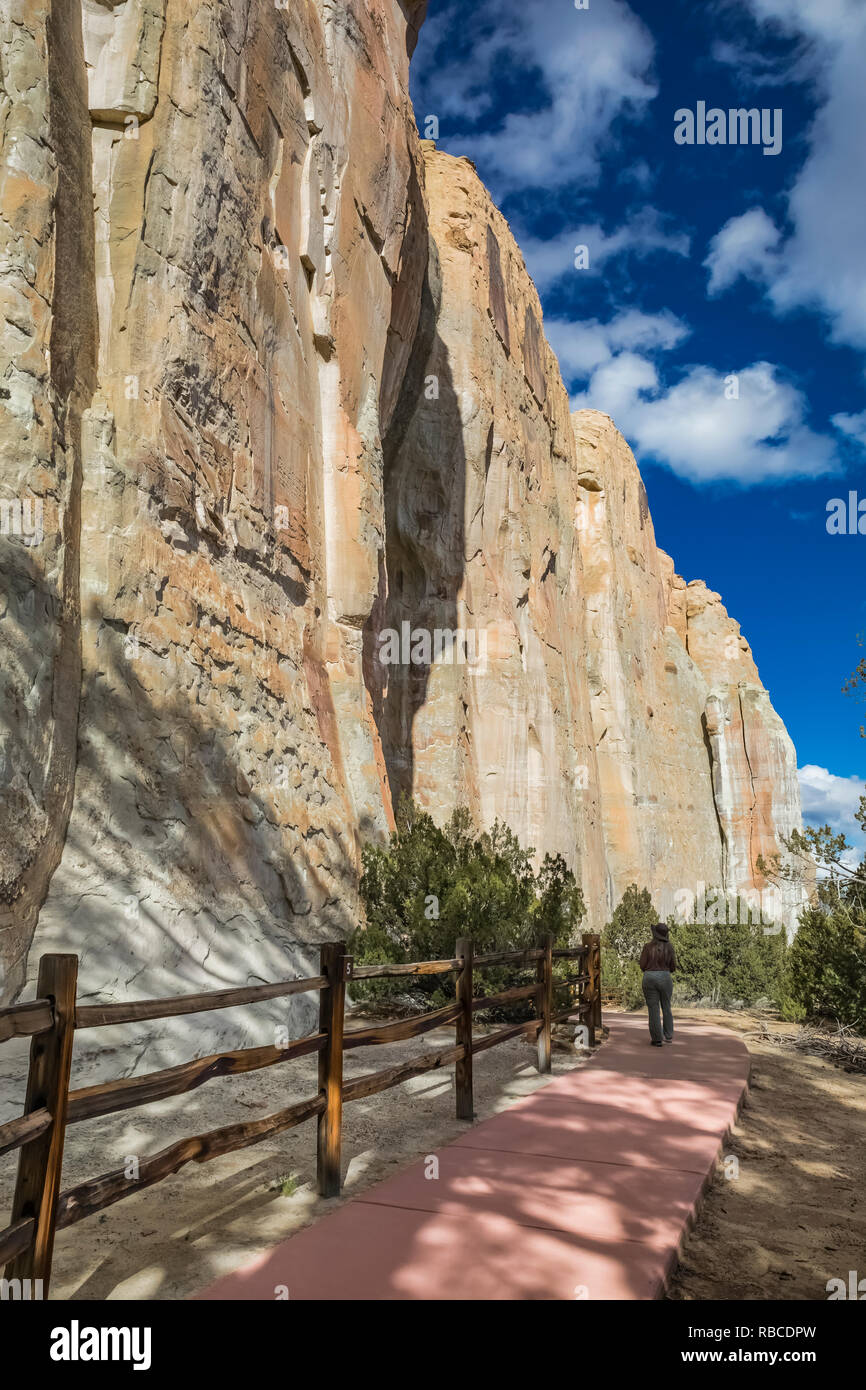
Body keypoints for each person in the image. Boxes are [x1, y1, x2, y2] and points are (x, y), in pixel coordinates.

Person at [639, 922, 677, 1046]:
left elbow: (642, 966)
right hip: (665, 977)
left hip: (649, 977)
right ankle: (668, 1035)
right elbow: (673, 967)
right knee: (666, 1006)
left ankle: (657, 1039)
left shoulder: (647, 947)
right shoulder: (669, 947)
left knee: (653, 1009)